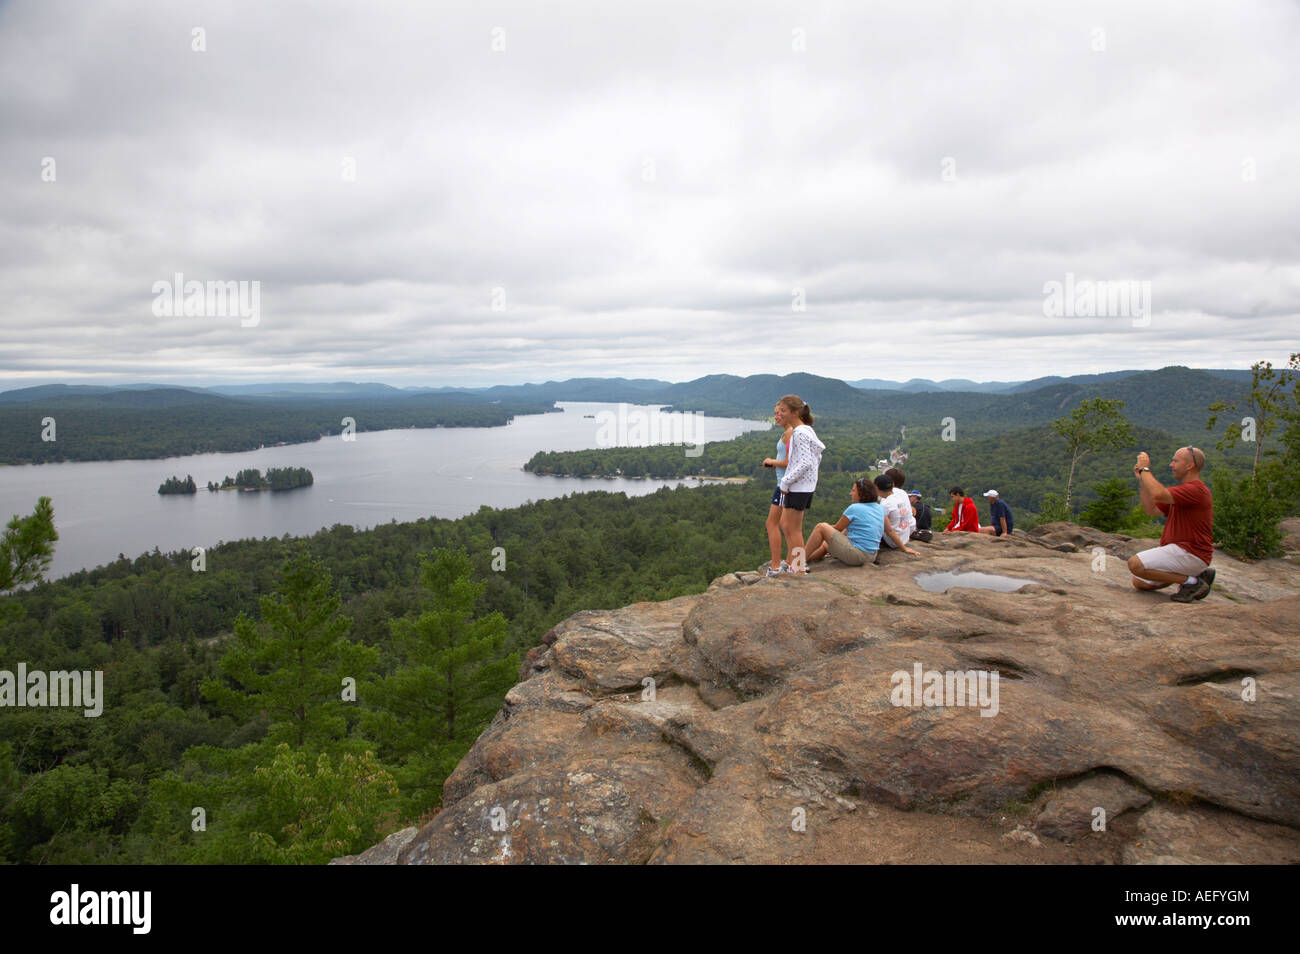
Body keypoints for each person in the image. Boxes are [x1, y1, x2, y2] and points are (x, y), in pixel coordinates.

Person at [1127, 447, 1215, 602]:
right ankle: (1194, 576)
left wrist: (1145, 468)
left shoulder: (1196, 490)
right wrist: (1142, 480)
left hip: (1190, 552)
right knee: (1139, 582)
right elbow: (1151, 509)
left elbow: (1159, 494)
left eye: (1175, 461)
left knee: (1135, 564)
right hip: (1185, 554)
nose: (1171, 465)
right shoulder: (1184, 492)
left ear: (1190, 465)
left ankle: (1192, 582)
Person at [775, 395, 825, 575]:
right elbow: (817, 456)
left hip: (798, 487)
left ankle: (798, 568)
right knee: (788, 526)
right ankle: (792, 562)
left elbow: (805, 463)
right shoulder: (807, 430)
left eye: (783, 411)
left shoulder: (800, 433)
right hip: (803, 486)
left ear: (795, 413)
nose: (780, 414)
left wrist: (786, 481)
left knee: (794, 529)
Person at [805, 476, 906, 564]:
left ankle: (798, 562)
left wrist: (825, 527)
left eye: (853, 491)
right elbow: (890, 531)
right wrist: (904, 548)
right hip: (871, 555)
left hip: (858, 556)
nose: (850, 493)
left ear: (861, 494)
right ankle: (808, 561)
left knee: (820, 527)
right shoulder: (879, 508)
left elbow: (837, 528)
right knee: (827, 544)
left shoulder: (854, 508)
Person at [760, 399, 796, 576]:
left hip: (784, 486)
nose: (776, 416)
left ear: (789, 413)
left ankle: (775, 567)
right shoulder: (790, 432)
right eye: (774, 413)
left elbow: (790, 462)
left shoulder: (790, 433)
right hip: (787, 484)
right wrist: (775, 464)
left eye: (779, 412)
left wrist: (771, 461)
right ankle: (791, 563)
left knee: (771, 523)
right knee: (786, 525)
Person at [873, 474, 919, 553]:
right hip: (904, 538)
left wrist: (904, 549)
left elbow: (889, 531)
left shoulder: (886, 504)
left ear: (877, 488)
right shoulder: (899, 498)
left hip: (892, 542)